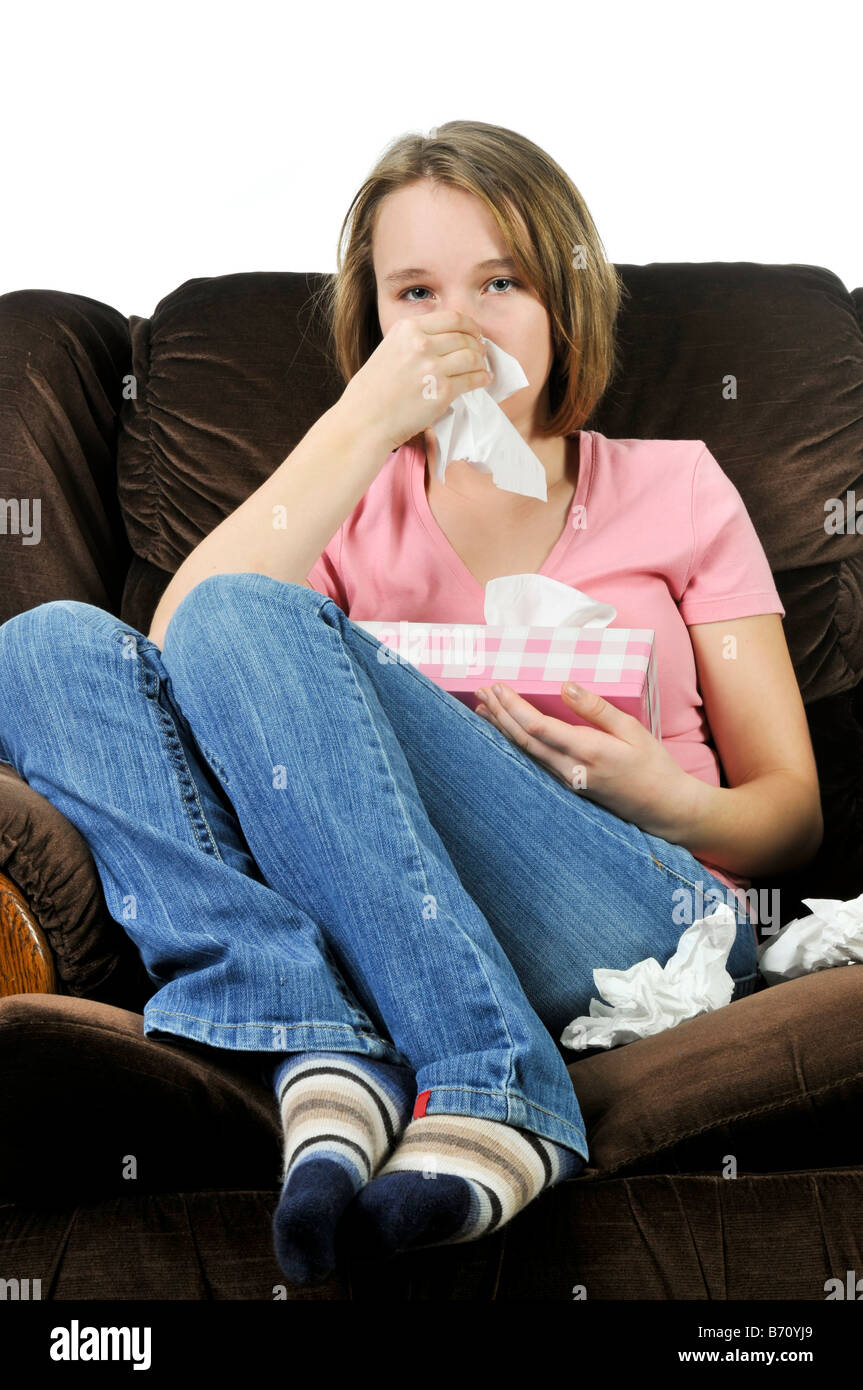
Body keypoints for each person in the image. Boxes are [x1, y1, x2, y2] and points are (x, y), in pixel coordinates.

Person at [0, 120, 823, 1290]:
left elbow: (790, 814)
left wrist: (668, 796)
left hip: (639, 910)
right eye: (416, 292)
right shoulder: (352, 503)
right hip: (386, 929)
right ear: (374, 322)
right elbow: (182, 644)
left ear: (561, 300)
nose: (460, 324)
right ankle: (316, 1040)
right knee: (43, 649)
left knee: (240, 613)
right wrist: (358, 427)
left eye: (500, 282)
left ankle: (493, 1075)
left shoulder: (676, 487)